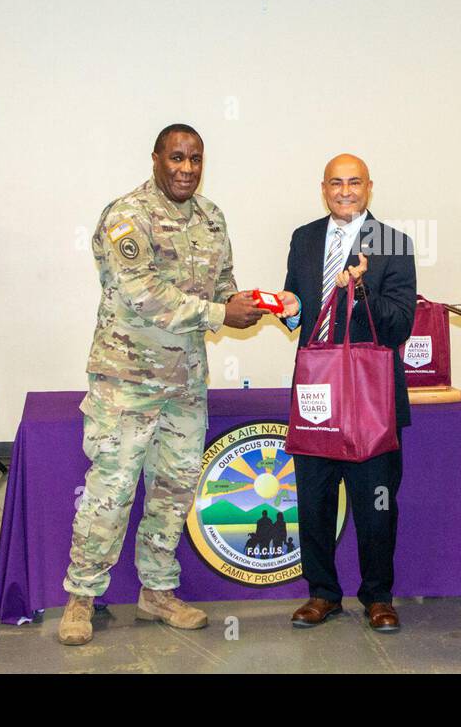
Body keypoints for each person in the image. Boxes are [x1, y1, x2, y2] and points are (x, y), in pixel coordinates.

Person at [58, 124, 264, 646]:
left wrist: (256, 305)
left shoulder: (212, 218)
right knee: (111, 491)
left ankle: (157, 591)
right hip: (127, 381)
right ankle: (82, 596)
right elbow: (143, 293)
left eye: (196, 159)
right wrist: (221, 312)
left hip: (184, 383)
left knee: (174, 491)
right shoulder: (127, 216)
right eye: (177, 158)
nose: (187, 169)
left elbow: (223, 283)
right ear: (155, 159)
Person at [274, 154, 416, 633]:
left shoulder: (393, 243)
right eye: (336, 183)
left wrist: (360, 289)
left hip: (371, 397)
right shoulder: (304, 238)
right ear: (323, 188)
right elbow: (297, 309)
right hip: (317, 391)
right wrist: (288, 309)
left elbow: (400, 325)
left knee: (375, 504)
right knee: (313, 501)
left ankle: (378, 596)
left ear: (369, 187)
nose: (345, 191)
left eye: (354, 182)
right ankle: (322, 594)